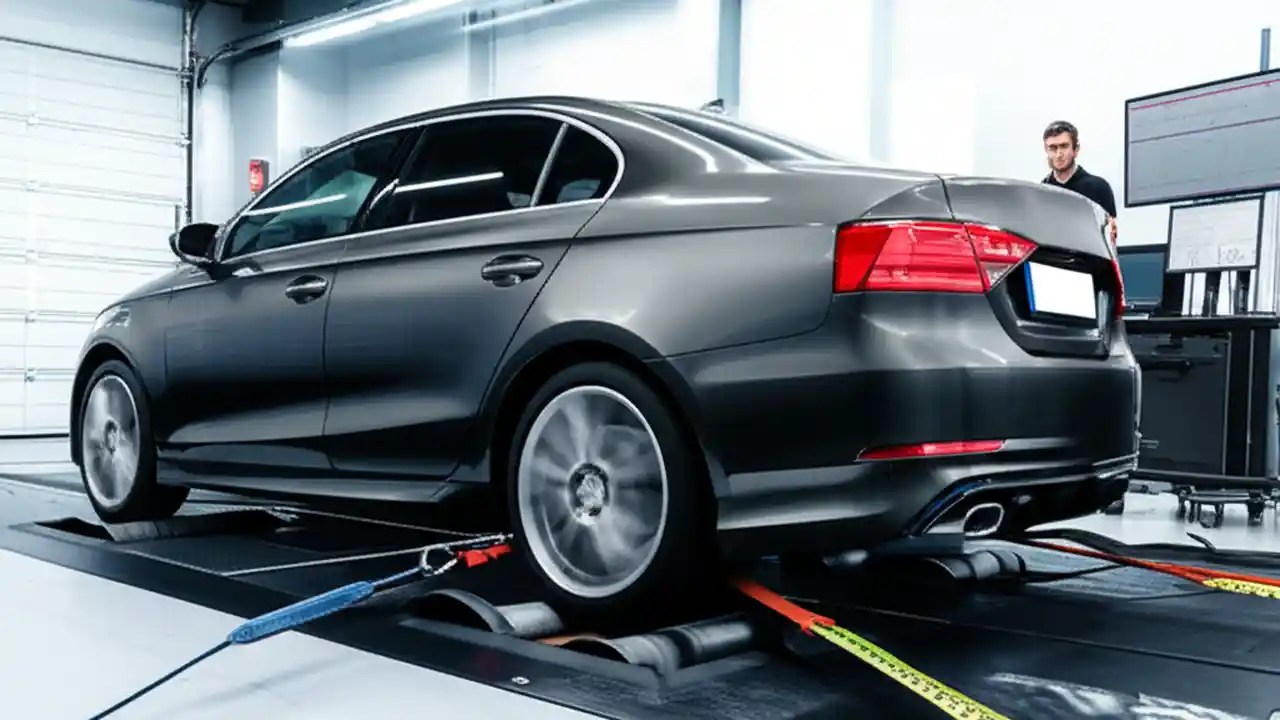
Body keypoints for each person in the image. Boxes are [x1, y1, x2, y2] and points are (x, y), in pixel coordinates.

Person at [1041, 120, 1118, 245]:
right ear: (1046, 150)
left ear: (1076, 149)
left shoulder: (1099, 188)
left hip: (1087, 262)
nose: (1059, 154)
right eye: (1053, 148)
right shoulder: (1041, 192)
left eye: (1064, 146)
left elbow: (1109, 242)